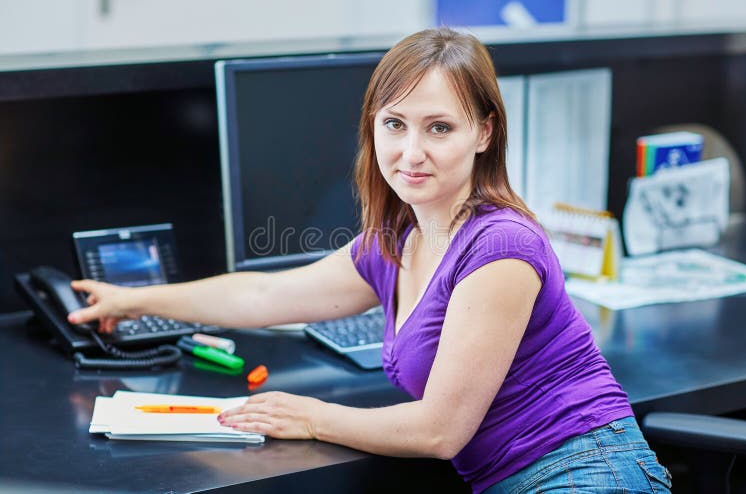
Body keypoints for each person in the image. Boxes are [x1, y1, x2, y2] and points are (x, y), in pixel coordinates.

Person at [68, 27, 672, 493]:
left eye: (439, 127)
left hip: (588, 473)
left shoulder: (500, 249)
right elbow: (263, 297)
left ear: (484, 133)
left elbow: (439, 431)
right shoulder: (395, 239)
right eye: (394, 124)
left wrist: (313, 415)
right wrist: (135, 299)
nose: (411, 152)